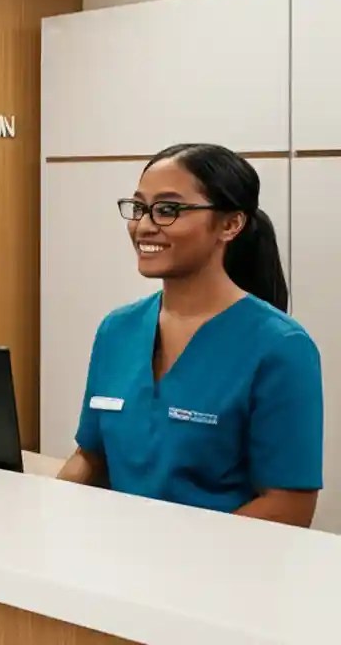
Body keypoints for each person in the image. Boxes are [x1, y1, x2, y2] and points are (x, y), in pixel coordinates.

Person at [57, 143, 323, 528]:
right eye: (139, 208)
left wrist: (173, 557)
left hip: (218, 574)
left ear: (230, 224)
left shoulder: (281, 347)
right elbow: (91, 456)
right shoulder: (117, 329)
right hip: (115, 565)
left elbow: (289, 507)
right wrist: (51, 516)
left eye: (168, 210)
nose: (144, 225)